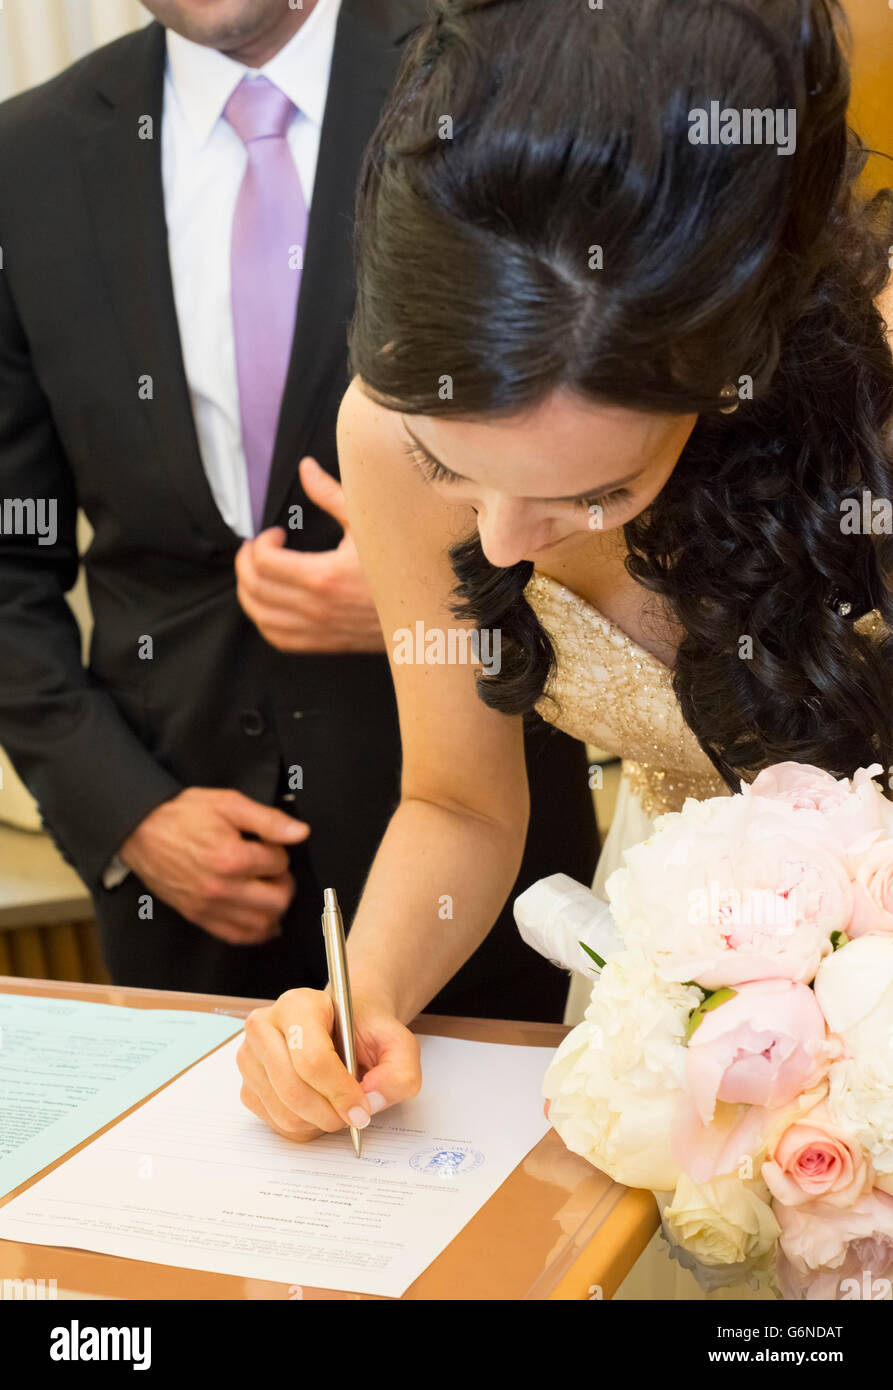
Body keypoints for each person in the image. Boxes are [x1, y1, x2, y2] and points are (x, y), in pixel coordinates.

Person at [237, 0, 893, 1291]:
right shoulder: (389, 425)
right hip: (657, 1009)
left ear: (734, 356)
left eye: (596, 492)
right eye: (450, 468)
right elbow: (455, 803)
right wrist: (361, 997)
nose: (504, 539)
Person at [0, 0, 597, 1014]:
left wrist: (429, 604)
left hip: (481, 867)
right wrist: (125, 812)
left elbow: (632, 463)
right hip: (184, 885)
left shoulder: (500, 92)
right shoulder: (28, 159)